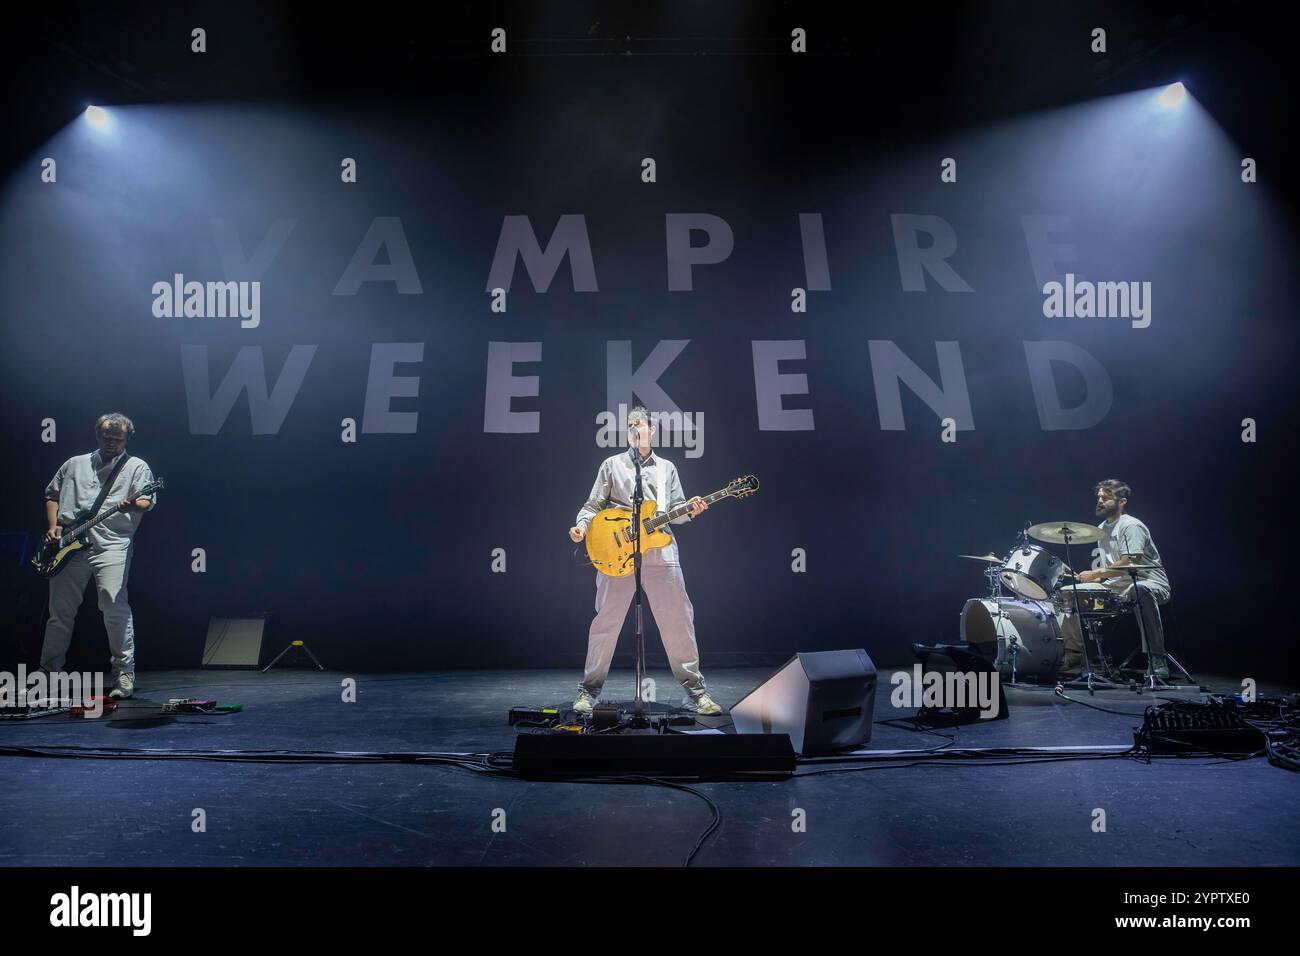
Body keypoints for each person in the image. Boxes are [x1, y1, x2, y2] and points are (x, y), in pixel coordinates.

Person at [568, 406, 722, 716]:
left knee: (678, 619)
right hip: (618, 554)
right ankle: (589, 690)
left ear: (652, 431)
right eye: (631, 426)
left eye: (641, 425)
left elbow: (675, 511)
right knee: (606, 621)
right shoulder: (612, 465)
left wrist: (691, 508)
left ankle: (697, 692)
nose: (636, 429)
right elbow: (592, 505)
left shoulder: (667, 468)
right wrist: (582, 527)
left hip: (661, 550)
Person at [39, 413, 158, 699]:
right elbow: (52, 494)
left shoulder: (137, 467)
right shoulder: (74, 464)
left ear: (127, 438)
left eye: (118, 438)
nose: (112, 442)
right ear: (97, 434)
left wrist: (133, 503)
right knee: (60, 613)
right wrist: (54, 526)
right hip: (69, 544)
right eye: (107, 437)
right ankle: (47, 674)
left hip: (112, 544)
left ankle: (123, 673)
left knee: (113, 605)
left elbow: (146, 500)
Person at [1061, 479, 1171, 679]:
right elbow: (1110, 567)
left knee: (1140, 589)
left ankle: (1157, 658)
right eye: (1099, 497)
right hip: (1117, 587)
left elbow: (1130, 564)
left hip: (1149, 583)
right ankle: (1075, 654)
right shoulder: (1101, 528)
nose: (1100, 501)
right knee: (1071, 593)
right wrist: (1094, 580)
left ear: (1122, 501)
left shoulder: (1131, 526)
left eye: (1106, 497)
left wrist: (1095, 574)